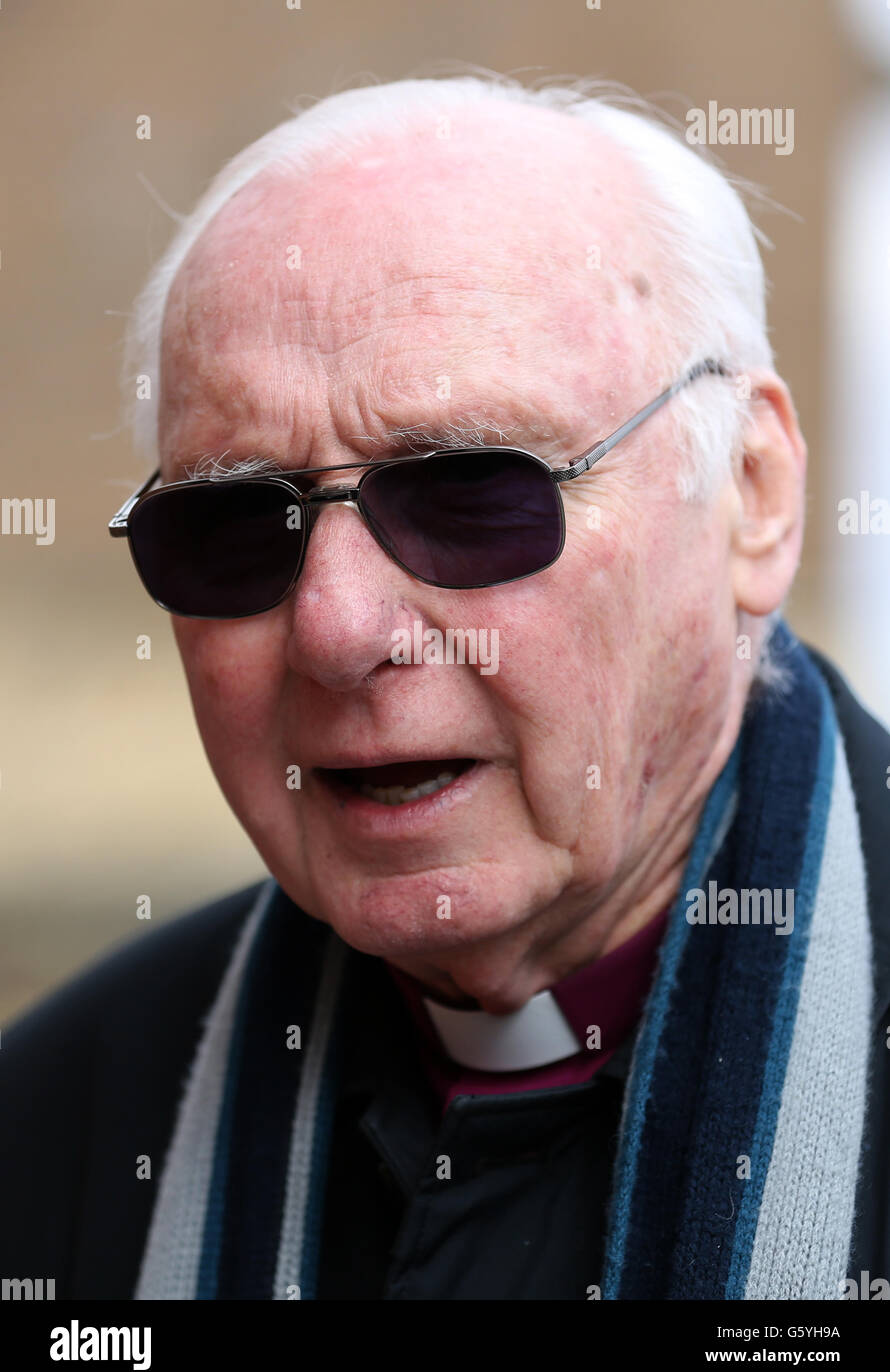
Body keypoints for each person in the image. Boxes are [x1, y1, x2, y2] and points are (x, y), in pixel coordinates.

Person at [2, 73, 888, 1301]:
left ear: (751, 492)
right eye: (234, 526)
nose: (335, 626)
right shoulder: (61, 1126)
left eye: (471, 492)